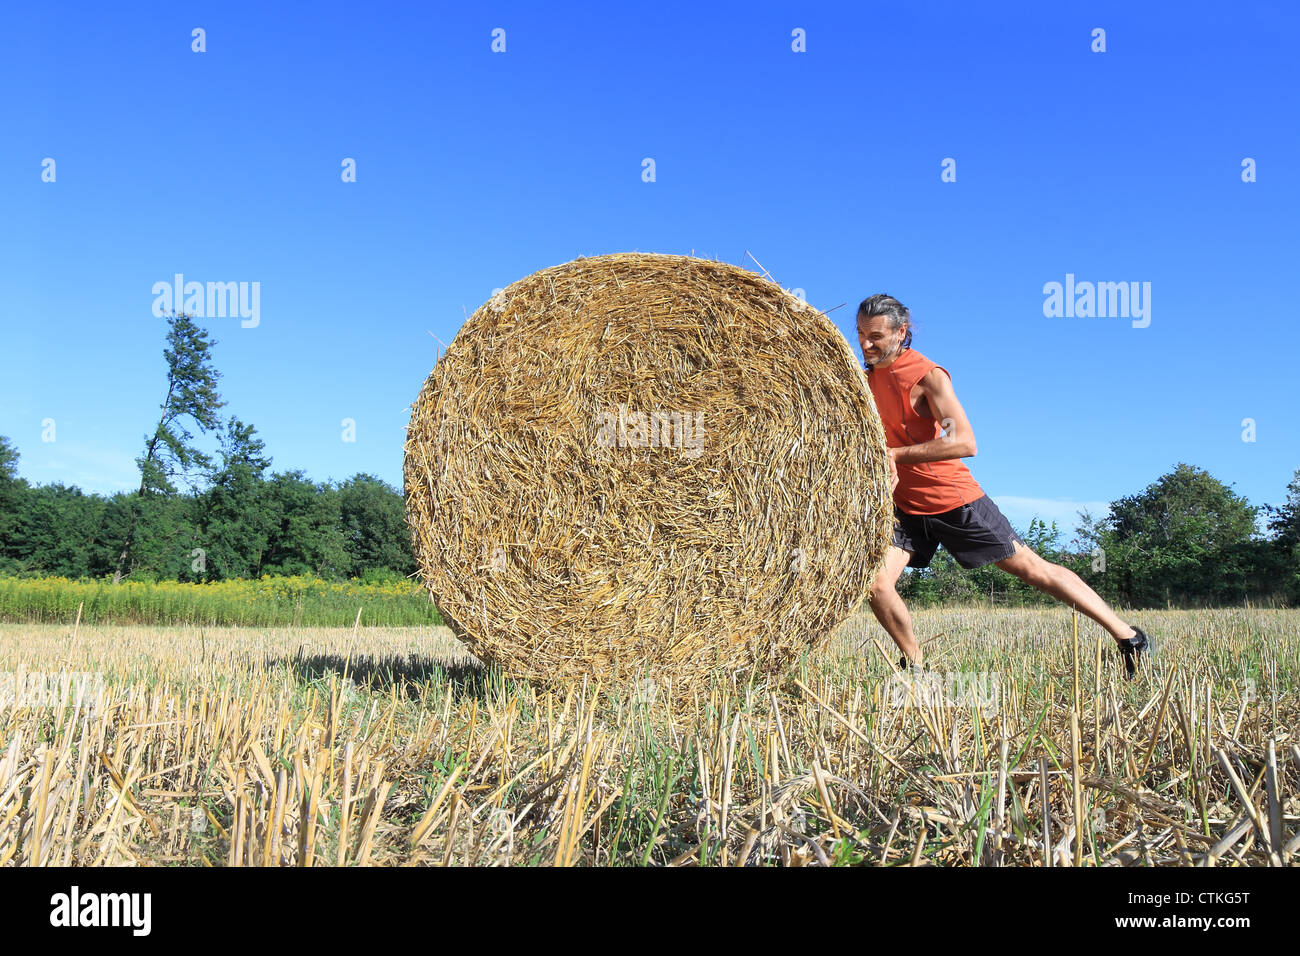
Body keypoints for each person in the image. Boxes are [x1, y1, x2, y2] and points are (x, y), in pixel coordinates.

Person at [857, 294, 1151, 680]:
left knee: (1034, 571)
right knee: (877, 583)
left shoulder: (927, 376)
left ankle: (1129, 638)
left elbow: (963, 441)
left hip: (953, 500)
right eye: (860, 334)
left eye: (875, 336)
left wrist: (894, 456)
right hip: (905, 508)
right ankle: (915, 666)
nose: (865, 344)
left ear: (901, 332)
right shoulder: (864, 377)